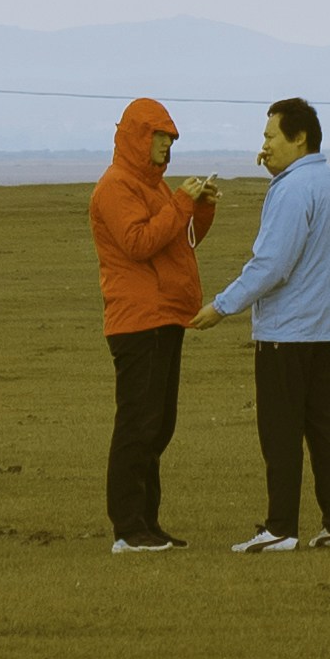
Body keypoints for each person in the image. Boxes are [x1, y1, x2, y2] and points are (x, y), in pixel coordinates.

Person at [206, 98, 330, 553]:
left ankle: (280, 528)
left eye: (271, 137)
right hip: (325, 329)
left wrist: (221, 306)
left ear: (300, 138)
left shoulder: (291, 190)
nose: (264, 147)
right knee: (325, 427)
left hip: (285, 333)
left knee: (280, 431)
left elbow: (272, 264)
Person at [88, 99, 216, 555]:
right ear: (137, 138)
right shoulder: (115, 186)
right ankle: (127, 528)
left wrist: (198, 210)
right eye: (159, 138)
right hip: (137, 320)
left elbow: (179, 241)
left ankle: (146, 524)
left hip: (164, 317)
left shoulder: (156, 188)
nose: (165, 146)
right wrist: (182, 201)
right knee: (138, 424)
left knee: (158, 425)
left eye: (170, 140)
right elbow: (140, 243)